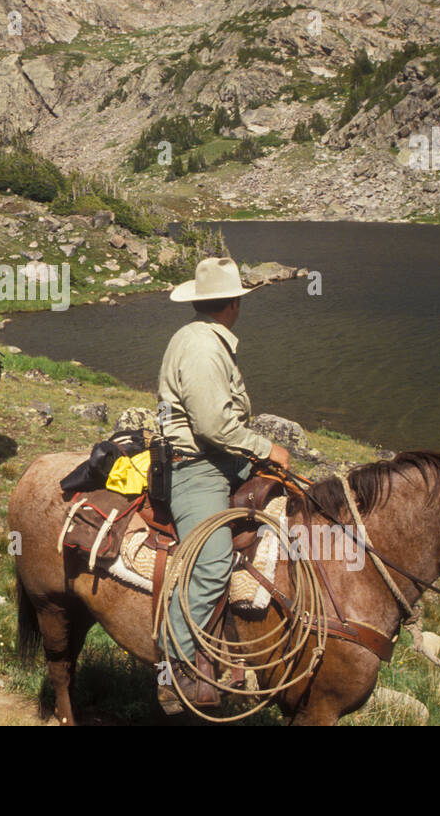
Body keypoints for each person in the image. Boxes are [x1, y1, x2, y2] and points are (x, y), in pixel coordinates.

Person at [156, 256, 289, 713]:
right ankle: (174, 668)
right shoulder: (202, 347)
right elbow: (213, 425)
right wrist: (267, 449)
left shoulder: (205, 337)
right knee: (211, 561)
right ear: (233, 302)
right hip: (197, 468)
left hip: (221, 460)